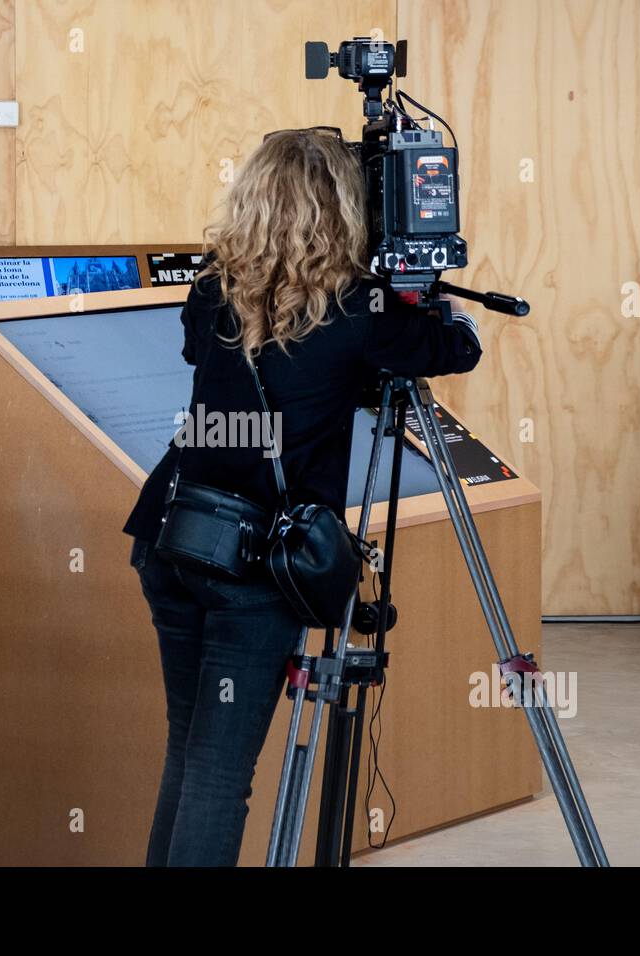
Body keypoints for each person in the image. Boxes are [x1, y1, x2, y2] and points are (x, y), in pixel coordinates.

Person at [123, 128, 482, 866]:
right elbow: (454, 348)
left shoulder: (212, 288)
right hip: (256, 566)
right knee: (220, 774)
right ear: (345, 209)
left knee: (190, 755)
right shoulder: (361, 310)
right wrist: (445, 310)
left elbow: (206, 353)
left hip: (176, 534)